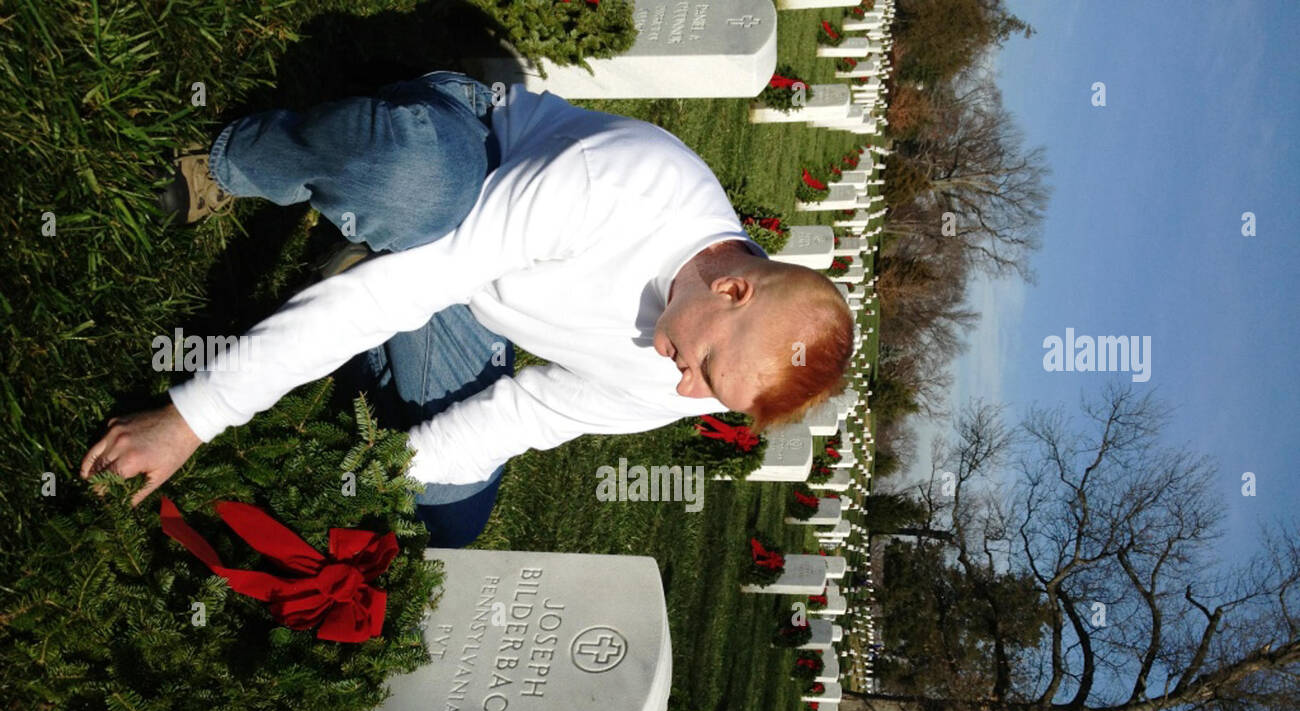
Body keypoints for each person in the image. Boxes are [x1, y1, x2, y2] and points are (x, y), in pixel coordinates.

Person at [80, 71, 852, 546]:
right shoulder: (621, 189)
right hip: (467, 159)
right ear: (733, 289)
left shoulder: (711, 368)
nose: (685, 390)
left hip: (476, 302)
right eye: (704, 368)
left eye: (711, 392)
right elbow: (404, 291)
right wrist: (191, 418)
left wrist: (374, 474)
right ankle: (236, 161)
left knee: (449, 515)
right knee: (414, 186)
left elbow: (531, 414)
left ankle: (360, 248)